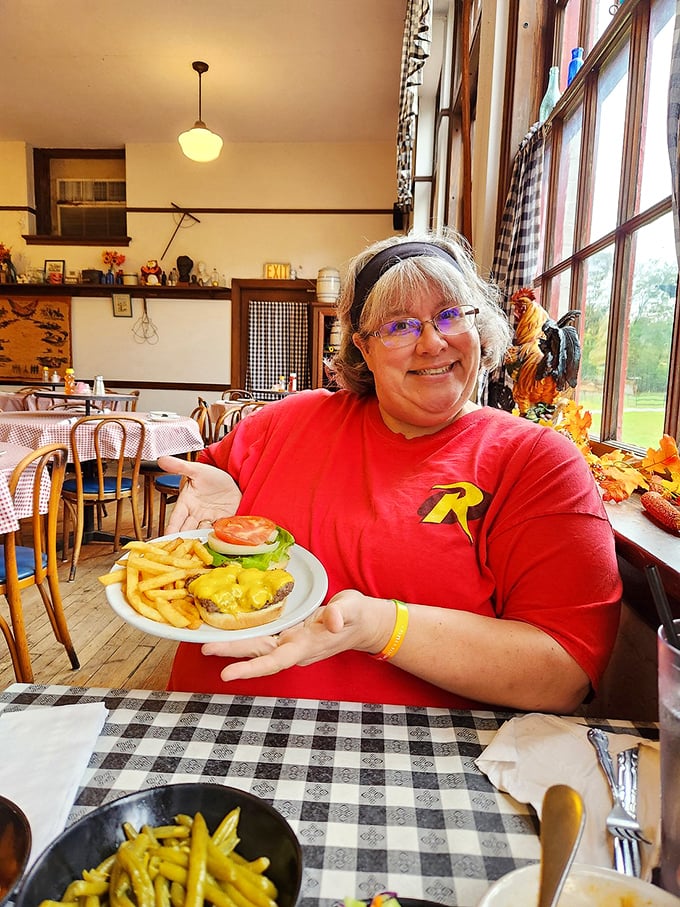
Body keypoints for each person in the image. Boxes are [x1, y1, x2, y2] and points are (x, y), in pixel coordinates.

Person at [158, 229, 621, 712]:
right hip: (208, 725)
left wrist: (381, 628)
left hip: (408, 757)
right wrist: (223, 487)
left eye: (450, 314)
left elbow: (563, 671)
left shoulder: (536, 461)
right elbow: (201, 517)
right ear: (363, 348)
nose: (432, 342)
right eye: (399, 326)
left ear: (478, 327)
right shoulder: (285, 421)